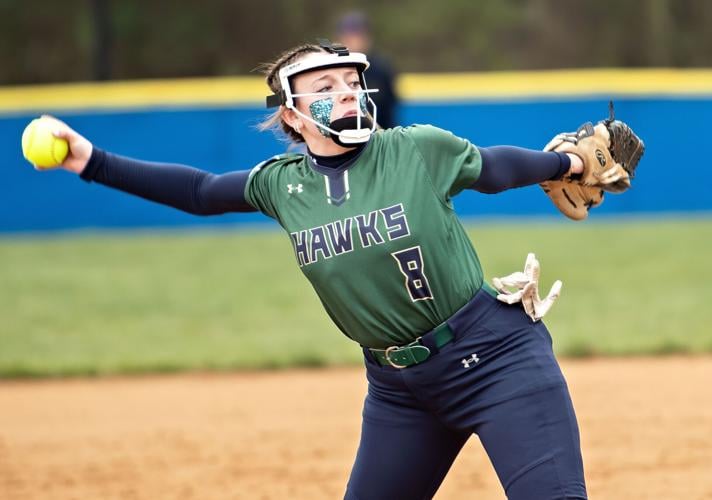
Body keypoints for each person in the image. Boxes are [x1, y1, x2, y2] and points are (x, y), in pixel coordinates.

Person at [40, 41, 588, 499]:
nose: (345, 92)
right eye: (323, 87)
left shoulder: (413, 149)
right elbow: (200, 191)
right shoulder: (283, 184)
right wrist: (92, 161)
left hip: (495, 359)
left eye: (350, 82)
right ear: (291, 114)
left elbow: (493, 169)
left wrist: (572, 163)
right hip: (400, 390)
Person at [334, 11, 399, 129]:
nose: (353, 41)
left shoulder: (382, 67)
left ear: (367, 38)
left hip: (379, 134)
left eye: (357, 36)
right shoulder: (331, 67)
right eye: (348, 37)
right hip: (344, 134)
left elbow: (390, 105)